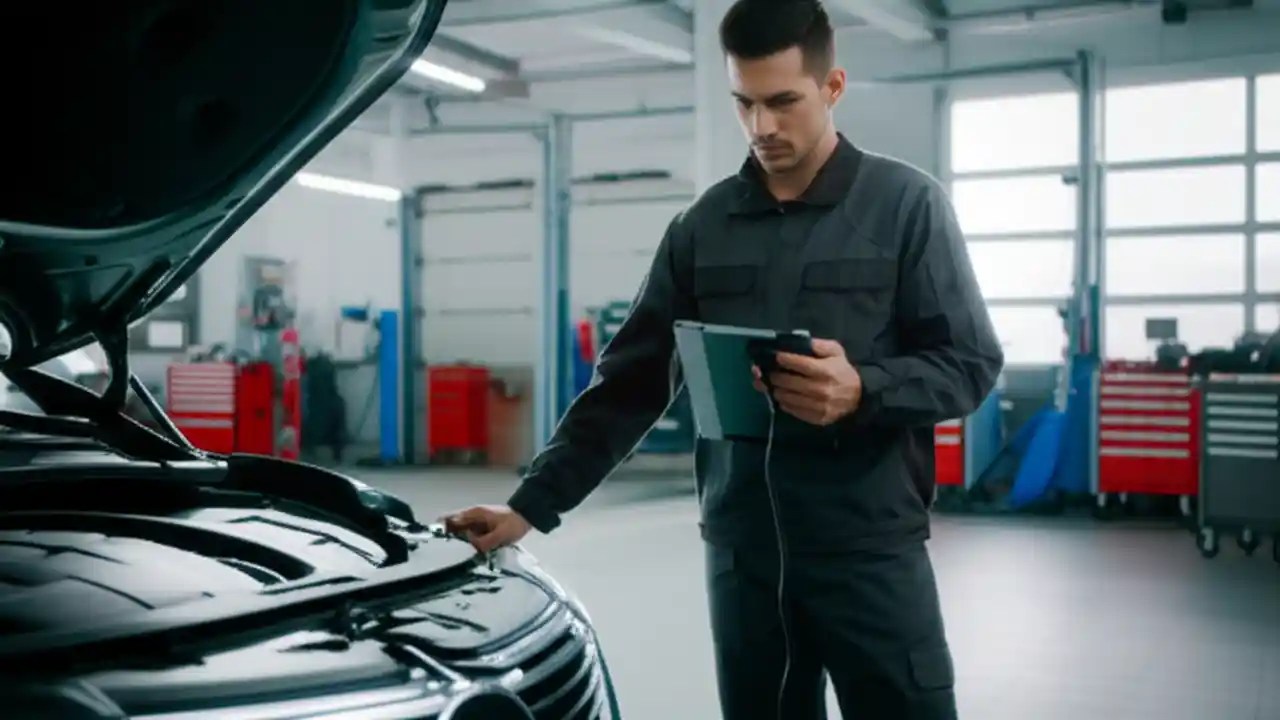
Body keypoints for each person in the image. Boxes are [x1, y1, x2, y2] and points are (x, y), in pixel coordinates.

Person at [443, 1, 1003, 718]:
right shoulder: (702, 228)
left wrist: (865, 387)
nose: (762, 126)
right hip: (744, 555)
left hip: (867, 549)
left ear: (832, 88)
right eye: (744, 103)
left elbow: (969, 363)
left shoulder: (905, 206)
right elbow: (630, 383)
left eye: (783, 102)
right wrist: (530, 505)